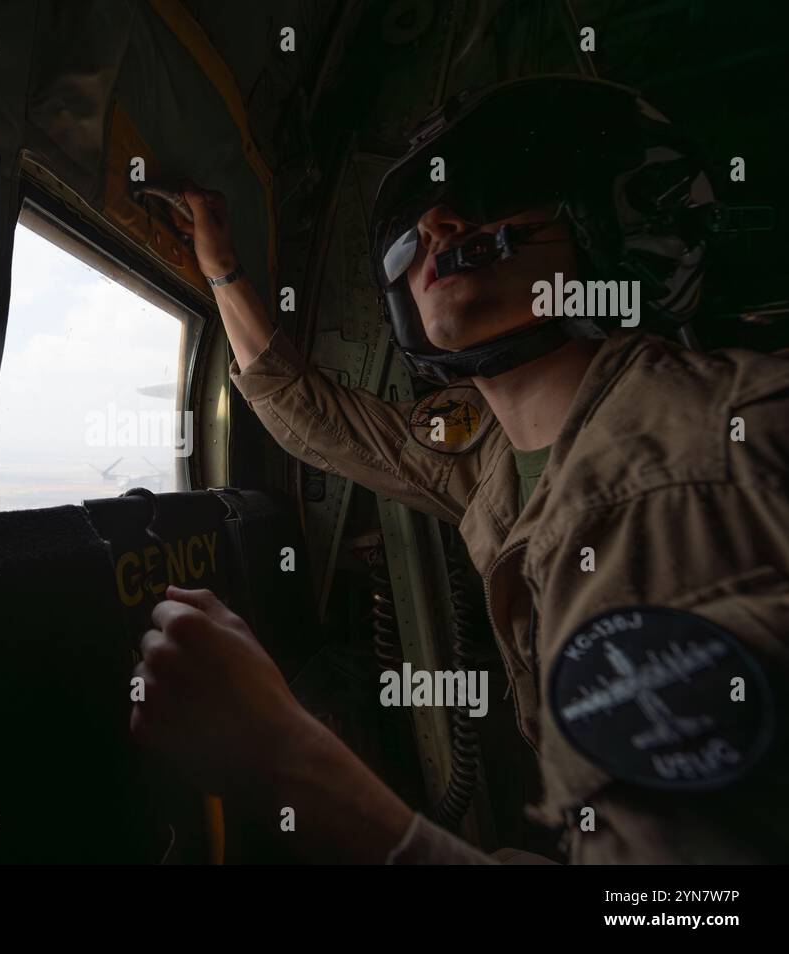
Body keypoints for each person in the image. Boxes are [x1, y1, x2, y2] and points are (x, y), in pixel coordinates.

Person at [129, 76, 789, 863]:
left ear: (616, 219)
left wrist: (286, 758)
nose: (437, 223)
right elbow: (312, 415)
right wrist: (222, 268)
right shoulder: (489, 460)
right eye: (413, 227)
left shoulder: (689, 467)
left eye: (492, 193)